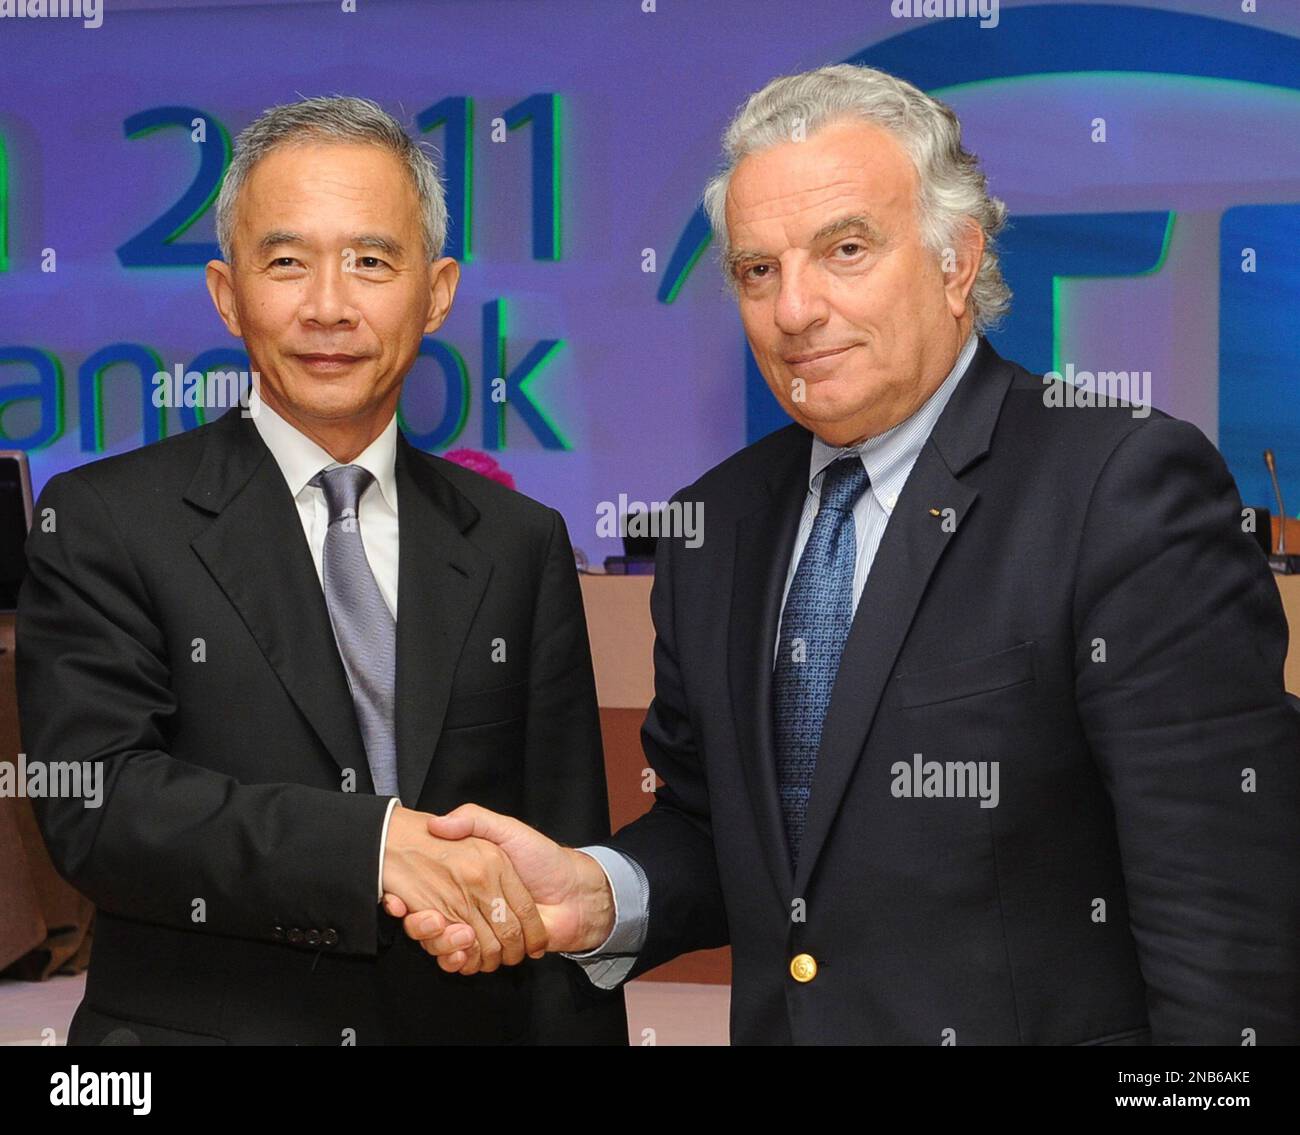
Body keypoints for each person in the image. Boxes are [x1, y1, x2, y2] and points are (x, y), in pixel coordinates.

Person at [389, 64, 1300, 1045]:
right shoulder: (715, 526)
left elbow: (1226, 924)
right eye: (756, 271)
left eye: (845, 250)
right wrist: (598, 890)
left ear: (958, 259)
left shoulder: (1120, 487)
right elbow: (722, 832)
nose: (793, 310)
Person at [16, 95, 627, 1045]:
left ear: (438, 291)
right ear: (227, 293)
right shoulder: (104, 520)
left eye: (372, 261)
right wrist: (374, 848)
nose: (329, 305)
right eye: (287, 261)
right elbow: (97, 805)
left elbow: (562, 865)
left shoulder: (518, 541)